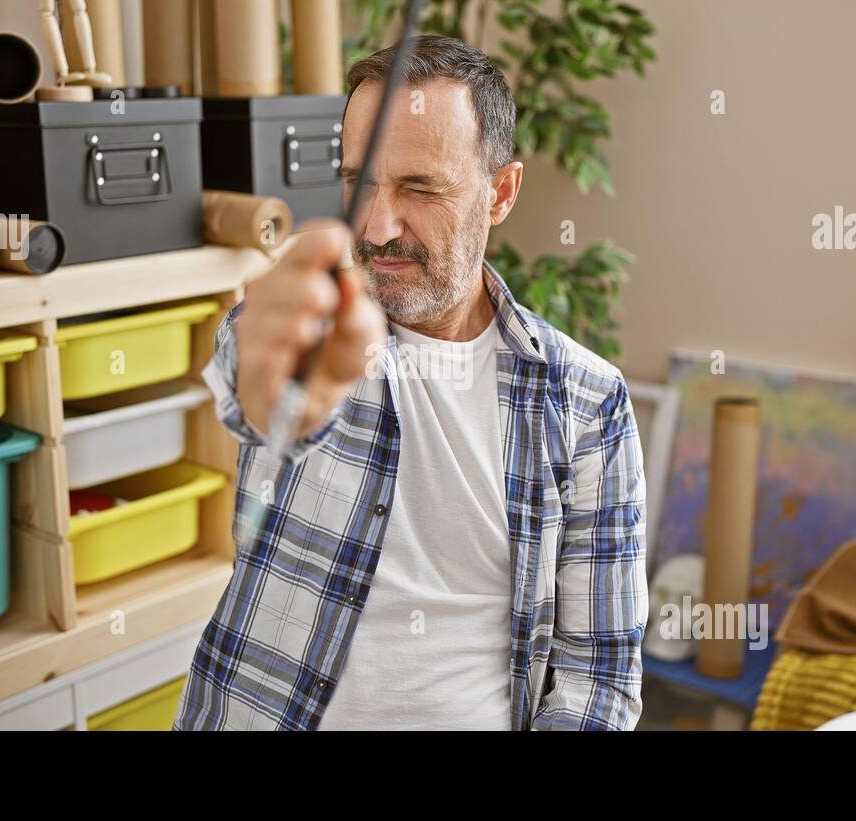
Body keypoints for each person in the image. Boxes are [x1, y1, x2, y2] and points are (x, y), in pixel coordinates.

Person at [174, 34, 647, 731]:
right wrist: (274, 382)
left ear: (501, 192)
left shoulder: (586, 403)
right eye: (359, 183)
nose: (378, 225)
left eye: (421, 188)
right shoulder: (315, 331)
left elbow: (598, 679)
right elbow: (254, 381)